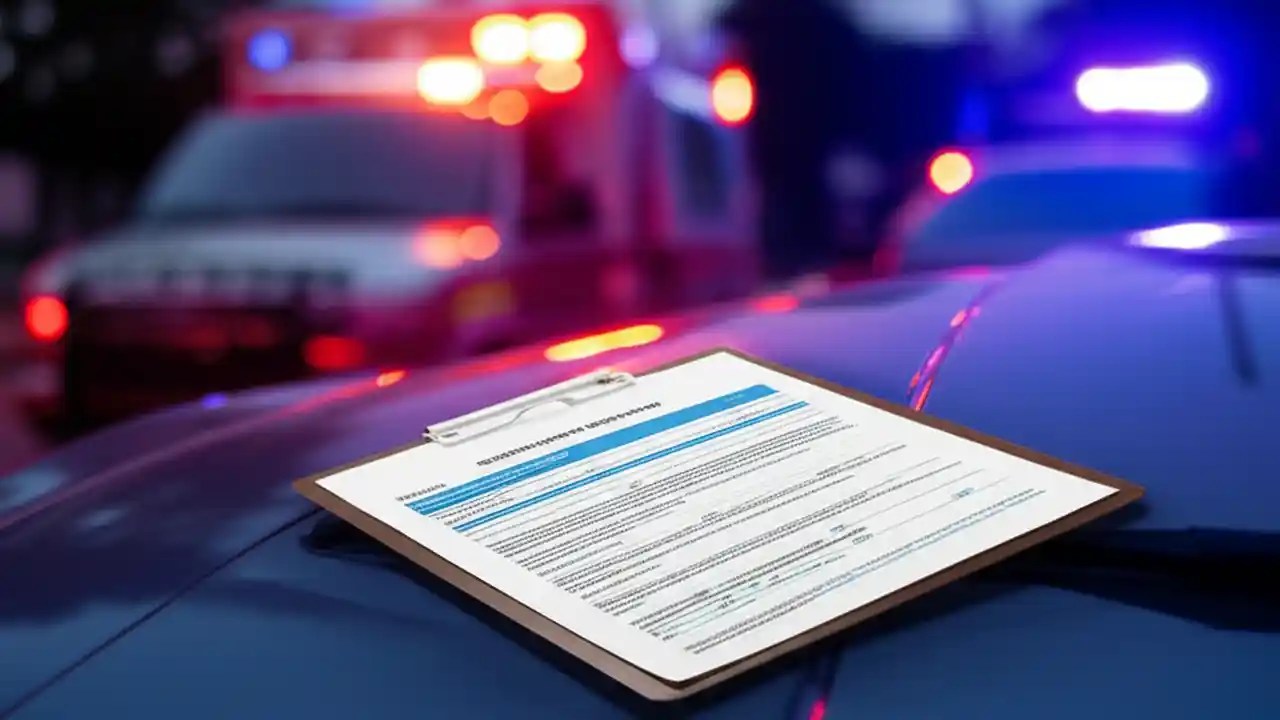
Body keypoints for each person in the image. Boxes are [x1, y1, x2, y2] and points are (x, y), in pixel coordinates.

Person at [717, 0, 866, 282]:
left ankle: (798, 265)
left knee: (796, 198)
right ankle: (795, 265)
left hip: (791, 136)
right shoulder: (827, 21)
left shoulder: (747, 18)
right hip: (782, 135)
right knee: (788, 199)